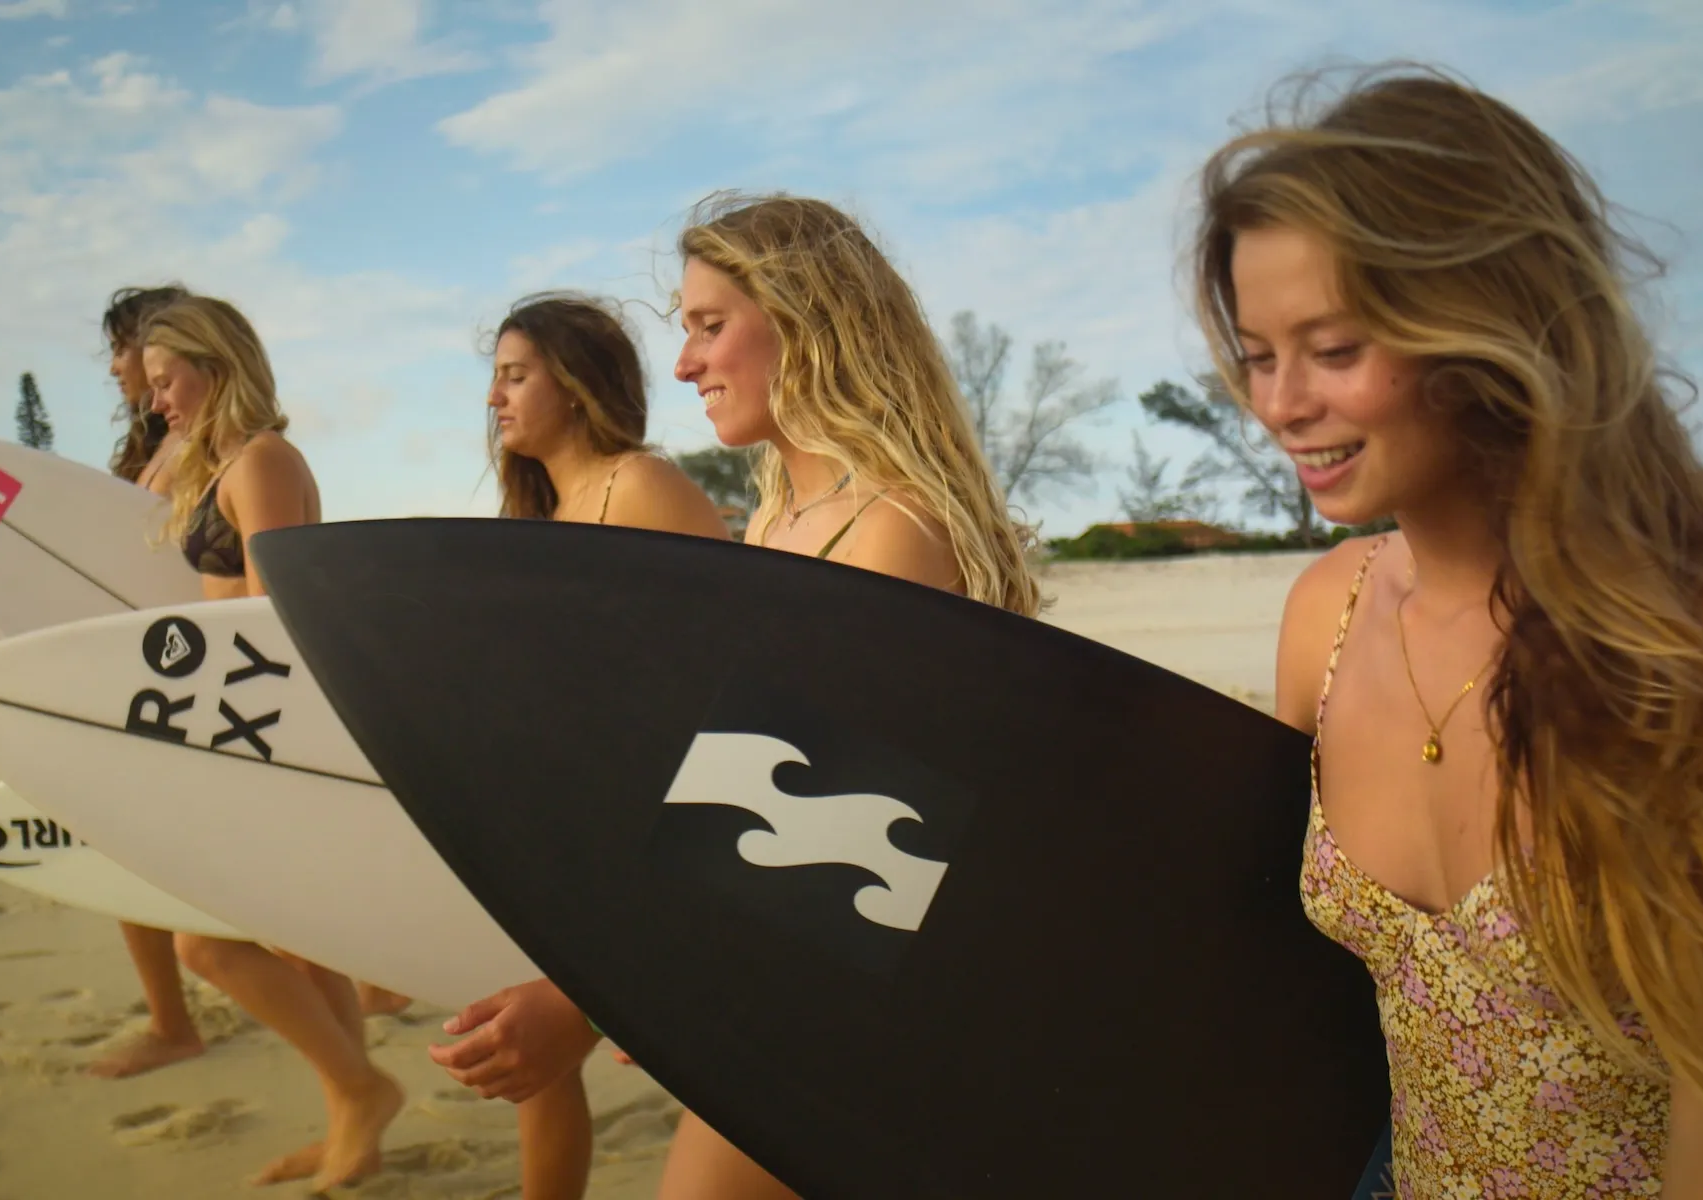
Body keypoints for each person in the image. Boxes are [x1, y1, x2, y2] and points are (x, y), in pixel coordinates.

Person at [430, 193, 1042, 1199]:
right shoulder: (779, 527)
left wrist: (591, 1006)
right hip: (781, 986)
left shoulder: (892, 530)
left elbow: (833, 843)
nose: (683, 365)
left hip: (856, 1011)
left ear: (808, 319)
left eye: (711, 328)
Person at [1198, 66, 1703, 1195]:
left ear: (1484, 322)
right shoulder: (1323, 614)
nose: (1280, 404)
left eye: (1333, 350)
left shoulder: (1668, 637)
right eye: (1259, 353)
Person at [428, 291, 727, 1200]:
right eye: (495, 380)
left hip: (657, 825)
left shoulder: (640, 487)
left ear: (578, 379)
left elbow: (731, 676)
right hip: (567, 821)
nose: (496, 399)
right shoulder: (543, 519)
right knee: (537, 1062)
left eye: (515, 376)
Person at [139, 295, 404, 1192]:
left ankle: (362, 1092)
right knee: (300, 946)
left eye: (167, 381)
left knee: (206, 945)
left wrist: (243, 754)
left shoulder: (262, 460)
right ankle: (349, 1128)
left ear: (214, 366)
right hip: (245, 725)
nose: (158, 402)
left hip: (266, 725)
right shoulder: (225, 464)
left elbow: (275, 618)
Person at [84, 283, 205, 1081]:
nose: (119, 370)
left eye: (120, 350)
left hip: (174, 672)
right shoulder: (151, 446)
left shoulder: (205, 445)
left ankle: (173, 1022)